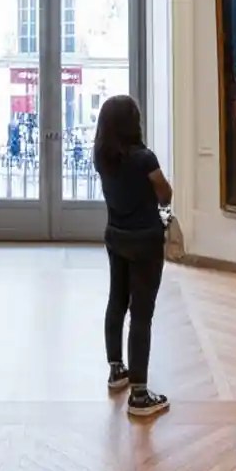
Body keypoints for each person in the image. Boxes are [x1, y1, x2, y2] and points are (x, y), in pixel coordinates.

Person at [94, 94, 172, 417]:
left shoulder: (102, 157)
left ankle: (117, 371)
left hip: (116, 237)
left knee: (117, 301)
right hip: (145, 242)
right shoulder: (145, 159)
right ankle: (139, 394)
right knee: (142, 313)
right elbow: (165, 194)